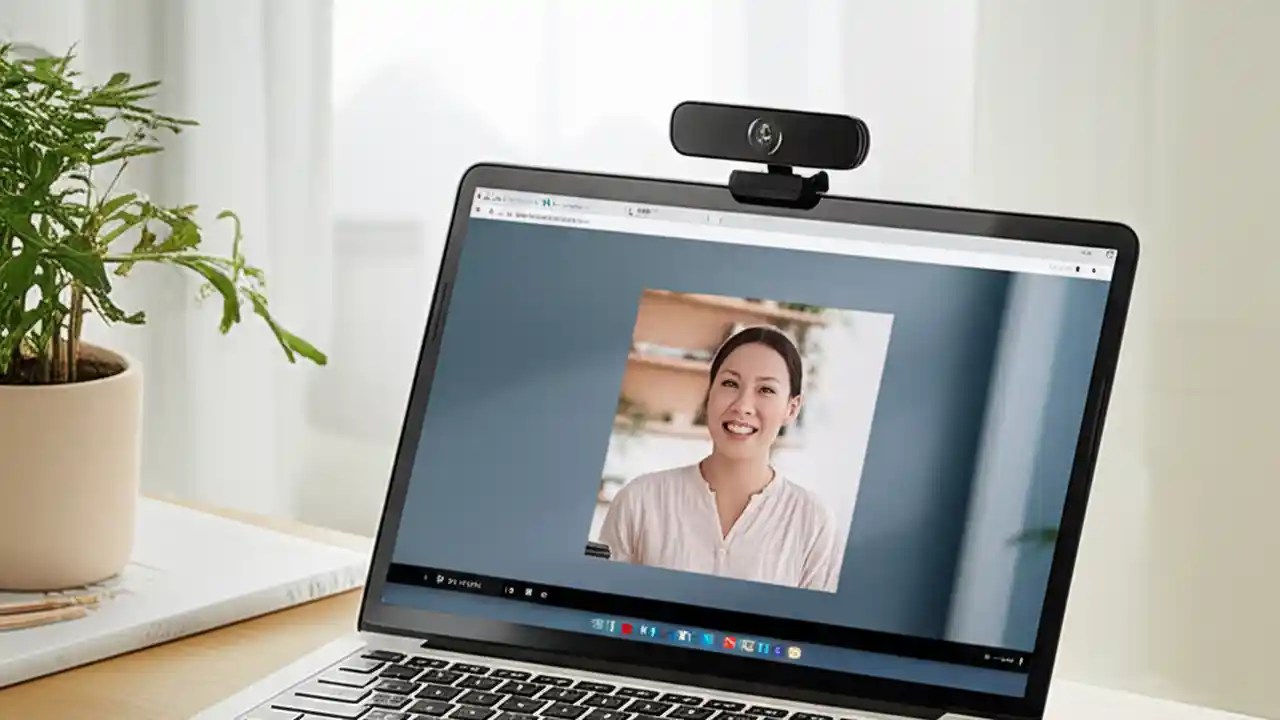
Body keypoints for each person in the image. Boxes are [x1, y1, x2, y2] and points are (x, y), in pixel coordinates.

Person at [598, 325, 840, 592]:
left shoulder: (813, 523)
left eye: (766, 390)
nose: (743, 406)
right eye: (730, 384)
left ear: (791, 408)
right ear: (710, 392)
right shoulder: (640, 500)